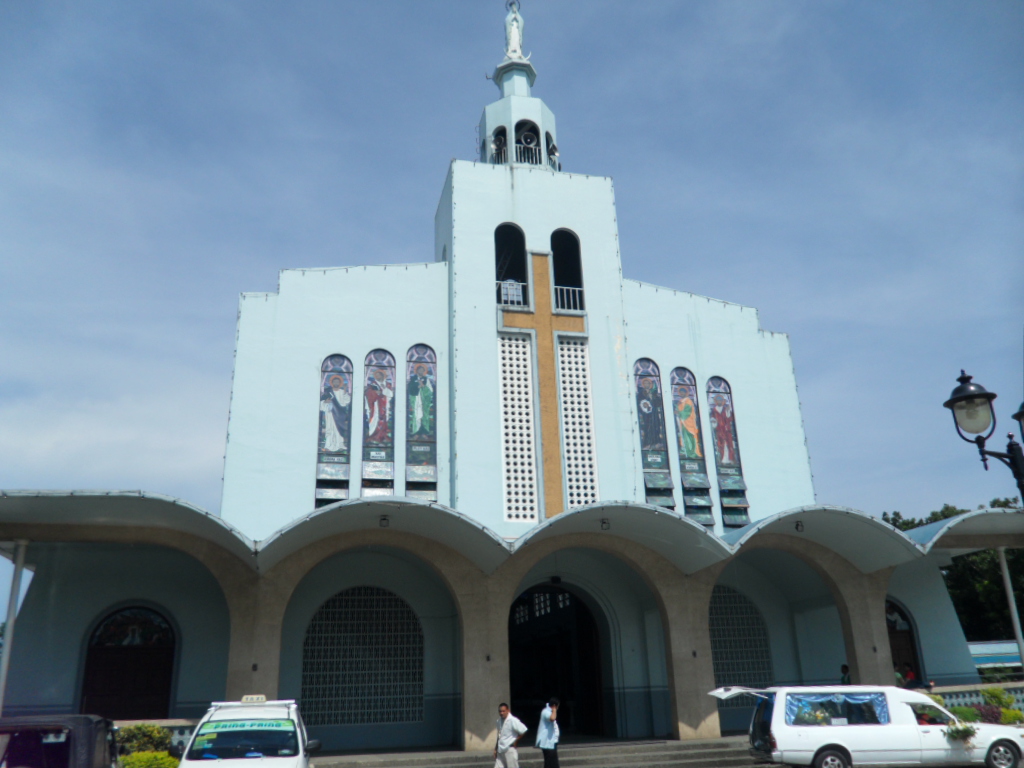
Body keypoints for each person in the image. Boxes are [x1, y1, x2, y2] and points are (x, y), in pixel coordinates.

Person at [494, 703, 527, 768]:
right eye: (500, 711)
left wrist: (516, 741)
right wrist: (495, 749)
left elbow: (523, 730)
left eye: (503, 711)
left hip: (509, 749)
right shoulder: (498, 721)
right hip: (500, 750)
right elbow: (499, 735)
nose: (502, 713)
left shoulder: (513, 720)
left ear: (508, 711)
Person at [535, 698, 560, 768]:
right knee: (550, 763)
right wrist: (554, 710)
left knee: (554, 763)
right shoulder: (546, 712)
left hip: (552, 742)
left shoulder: (549, 711)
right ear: (555, 705)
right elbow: (552, 718)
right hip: (547, 743)